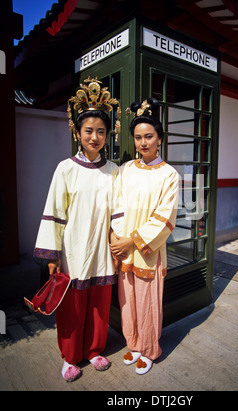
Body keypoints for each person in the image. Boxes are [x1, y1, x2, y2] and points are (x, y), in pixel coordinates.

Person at [33, 77, 121, 382]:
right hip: (72, 249)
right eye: (88, 131)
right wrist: (52, 254)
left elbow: (119, 211)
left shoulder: (114, 171)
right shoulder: (66, 168)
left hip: (101, 248)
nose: (94, 137)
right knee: (72, 305)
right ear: (78, 133)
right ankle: (70, 357)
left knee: (99, 302)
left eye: (100, 131)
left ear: (108, 135)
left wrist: (120, 243)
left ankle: (95, 350)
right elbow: (54, 213)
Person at [110, 98, 179, 375]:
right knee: (128, 300)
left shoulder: (169, 175)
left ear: (159, 138)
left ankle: (150, 349)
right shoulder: (126, 169)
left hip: (148, 251)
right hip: (125, 249)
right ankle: (134, 344)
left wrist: (133, 240)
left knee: (149, 303)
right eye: (138, 137)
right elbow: (117, 205)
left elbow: (165, 218)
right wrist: (118, 238)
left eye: (149, 136)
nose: (143, 142)